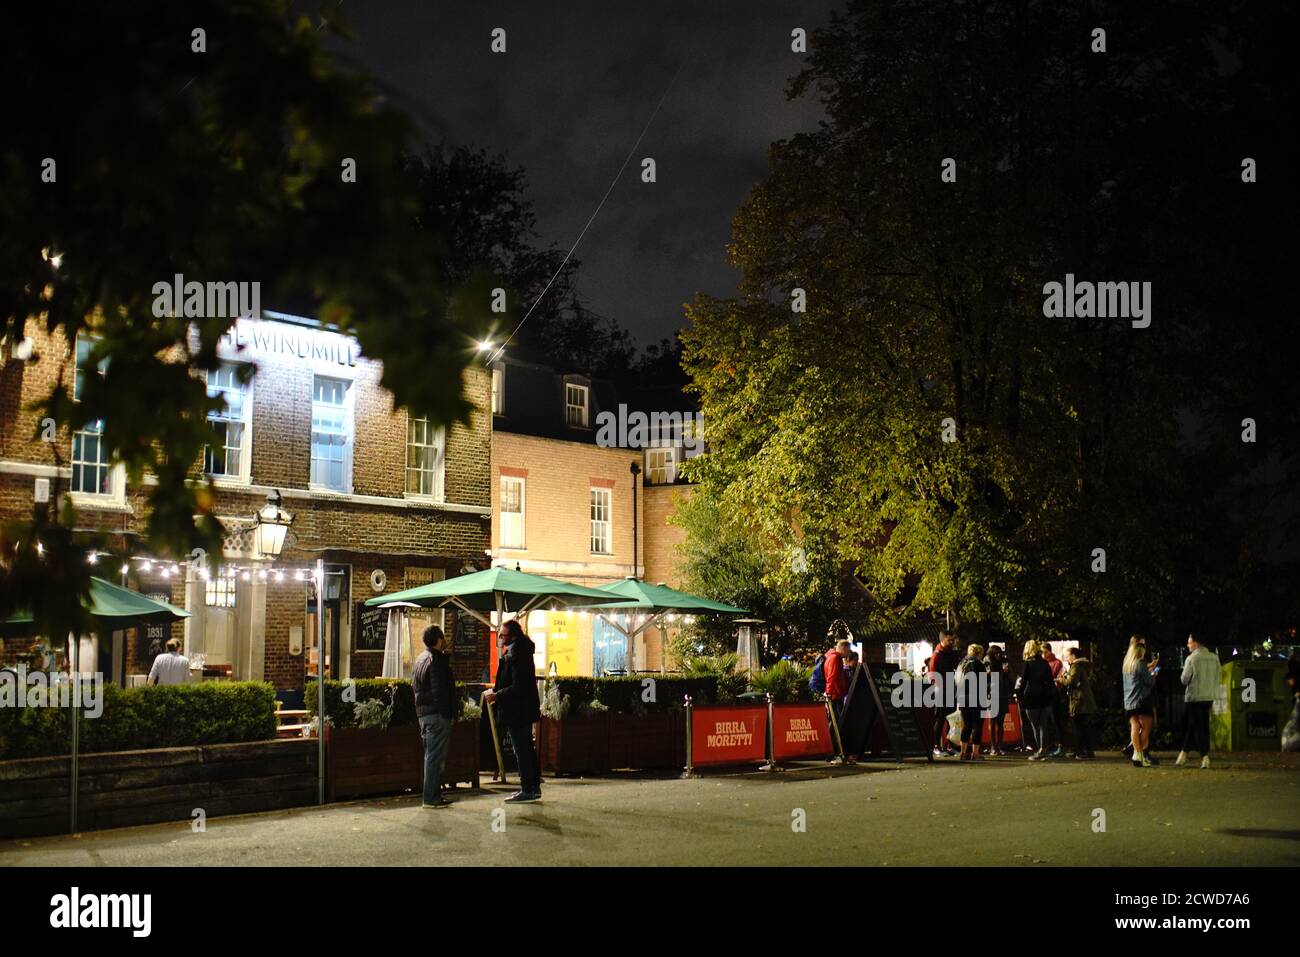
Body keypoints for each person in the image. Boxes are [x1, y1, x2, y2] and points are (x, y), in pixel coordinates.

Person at [482, 618, 542, 803]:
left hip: (518, 710)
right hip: (521, 709)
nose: (499, 636)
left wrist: (497, 695)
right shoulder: (520, 651)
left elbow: (518, 686)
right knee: (526, 749)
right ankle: (533, 787)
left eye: (503, 634)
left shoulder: (517, 654)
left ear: (513, 636)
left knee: (521, 750)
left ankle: (528, 789)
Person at [412, 625, 456, 808]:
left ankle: (433, 795)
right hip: (436, 716)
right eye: (443, 637)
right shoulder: (435, 661)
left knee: (430, 756)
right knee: (435, 758)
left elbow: (417, 688)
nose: (445, 640)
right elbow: (439, 693)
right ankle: (431, 798)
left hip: (424, 715)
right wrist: (448, 714)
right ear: (438, 640)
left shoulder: (420, 659)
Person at [1177, 633, 1219, 769]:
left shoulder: (1192, 659)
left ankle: (1205, 757)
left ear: (1196, 643)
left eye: (1189, 642)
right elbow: (1219, 675)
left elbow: (1184, 680)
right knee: (1197, 725)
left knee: (1197, 727)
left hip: (1194, 698)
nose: (1187, 645)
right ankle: (1183, 754)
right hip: (1208, 697)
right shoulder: (1215, 658)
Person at [1122, 635, 1160, 767]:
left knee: (1135, 725)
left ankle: (1137, 755)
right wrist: (1153, 673)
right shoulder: (1141, 663)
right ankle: (1138, 753)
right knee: (1147, 726)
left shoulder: (1127, 664)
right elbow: (1148, 682)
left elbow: (1136, 676)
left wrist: (1148, 667)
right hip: (1141, 700)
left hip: (1129, 701)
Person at [1018, 640, 1058, 760]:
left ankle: (1040, 750)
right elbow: (1050, 681)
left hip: (1031, 698)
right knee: (1043, 725)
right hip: (1045, 697)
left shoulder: (1027, 664)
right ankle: (1044, 749)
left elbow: (1023, 682)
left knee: (1035, 725)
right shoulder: (1045, 663)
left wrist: (1019, 696)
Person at [1057, 646, 1098, 759]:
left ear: (1074, 656)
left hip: (1080, 702)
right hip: (1085, 701)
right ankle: (1081, 751)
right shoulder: (1083, 665)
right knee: (1082, 727)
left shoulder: (1076, 666)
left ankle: (1084, 752)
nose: (1066, 658)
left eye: (1068, 655)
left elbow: (1072, 681)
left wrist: (1061, 680)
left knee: (1080, 728)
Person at [927, 630, 961, 756]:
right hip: (941, 689)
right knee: (940, 718)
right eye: (949, 640)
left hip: (950, 688)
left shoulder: (950, 653)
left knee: (950, 719)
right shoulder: (937, 654)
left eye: (953, 640)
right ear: (943, 640)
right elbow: (932, 675)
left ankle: (950, 746)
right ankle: (936, 746)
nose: (952, 642)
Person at [956, 643, 986, 761]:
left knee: (967, 724)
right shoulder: (978, 664)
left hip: (962, 697)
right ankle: (975, 753)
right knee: (977, 725)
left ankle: (963, 753)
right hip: (976, 697)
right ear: (978, 653)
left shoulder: (961, 664)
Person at [984, 645, 1012, 755]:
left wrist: (1007, 672)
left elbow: (1010, 677)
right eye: (996, 653)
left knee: (1001, 722)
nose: (998, 655)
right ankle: (993, 746)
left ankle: (1000, 745)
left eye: (999, 653)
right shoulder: (987, 663)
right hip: (992, 694)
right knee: (993, 720)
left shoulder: (1004, 663)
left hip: (1003, 694)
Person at [824, 638, 852, 724]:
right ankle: (834, 737)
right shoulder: (835, 658)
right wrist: (829, 692)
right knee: (835, 720)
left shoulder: (832, 657)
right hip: (835, 694)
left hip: (835, 693)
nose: (849, 652)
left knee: (834, 719)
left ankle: (834, 736)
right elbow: (832, 676)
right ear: (843, 648)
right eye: (848, 650)